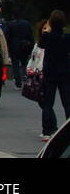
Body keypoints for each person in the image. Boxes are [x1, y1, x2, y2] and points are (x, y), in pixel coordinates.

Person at [38, 9, 70, 142]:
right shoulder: (67, 37)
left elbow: (41, 45)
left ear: (51, 22)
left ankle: (47, 131)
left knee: (48, 103)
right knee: (67, 103)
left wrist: (48, 30)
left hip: (50, 72)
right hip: (65, 72)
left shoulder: (46, 36)